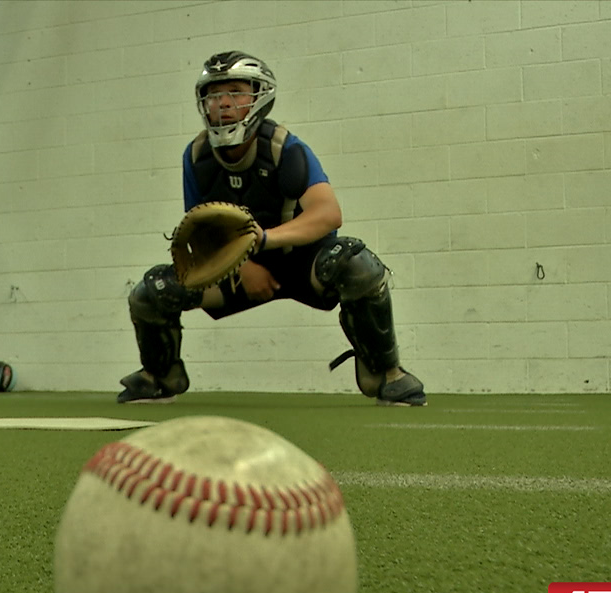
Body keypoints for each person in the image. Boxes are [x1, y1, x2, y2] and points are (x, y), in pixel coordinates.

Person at [117, 51, 426, 407]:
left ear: (258, 96)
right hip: (235, 270)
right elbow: (199, 231)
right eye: (214, 94)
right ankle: (159, 376)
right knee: (149, 291)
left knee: (357, 264)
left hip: (302, 264)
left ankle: (387, 373)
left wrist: (262, 240)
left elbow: (328, 214)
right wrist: (244, 265)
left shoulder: (284, 147)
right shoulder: (197, 156)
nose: (223, 103)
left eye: (235, 91)